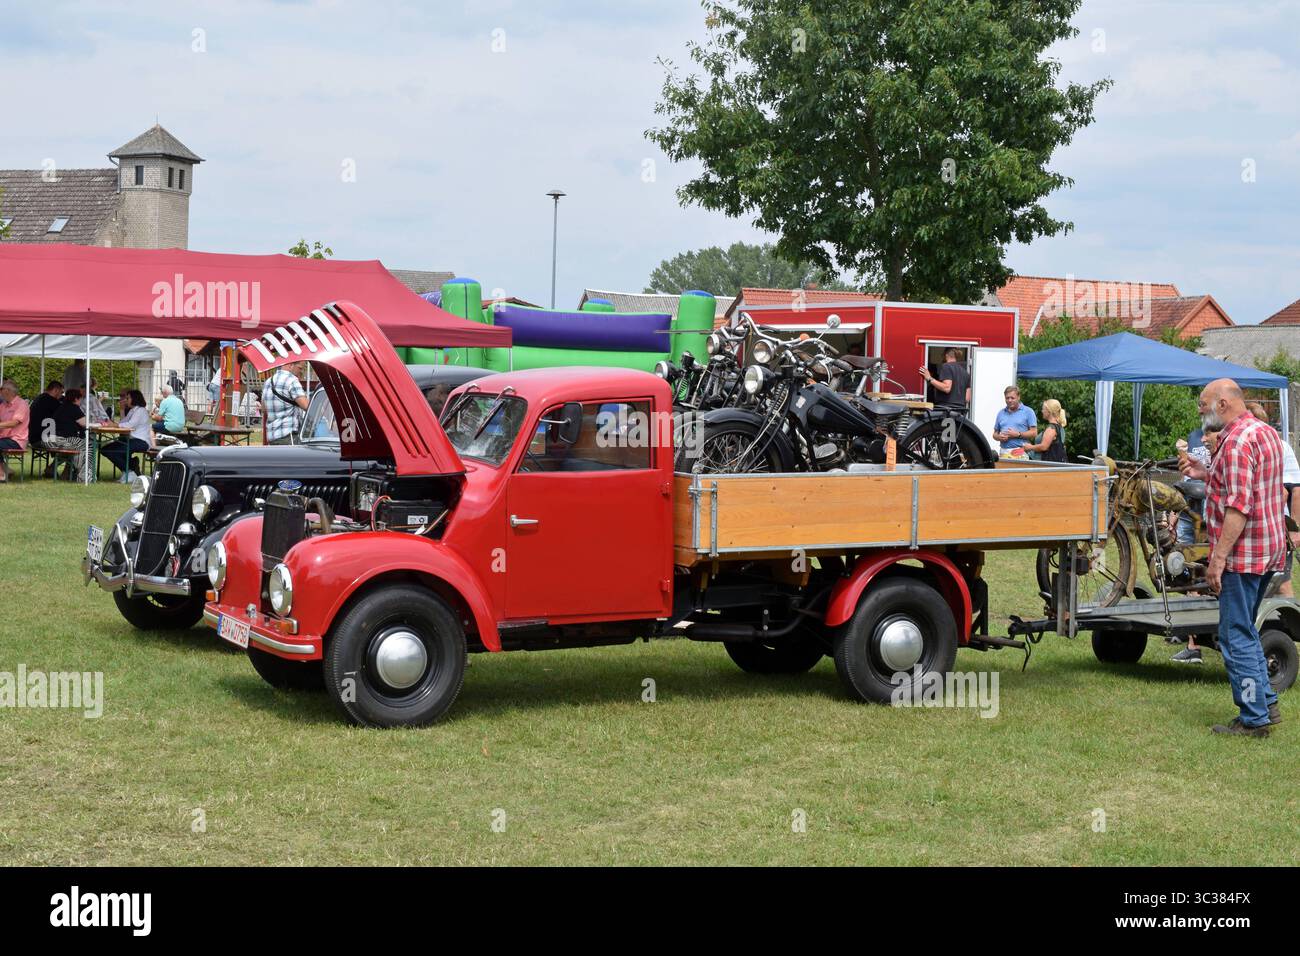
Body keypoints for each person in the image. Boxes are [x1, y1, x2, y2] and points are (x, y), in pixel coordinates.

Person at [1179, 379, 1285, 736]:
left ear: (1223, 404)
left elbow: (1238, 507)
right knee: (1245, 629)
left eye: (1203, 403)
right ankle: (1266, 702)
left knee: (1233, 635)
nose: (1199, 410)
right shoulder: (1263, 431)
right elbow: (1247, 485)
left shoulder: (1236, 442)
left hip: (1242, 556)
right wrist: (1205, 474)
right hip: (1267, 550)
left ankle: (1254, 719)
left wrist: (1217, 558)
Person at [1246, 402, 1300, 598]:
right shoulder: (1238, 446)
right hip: (1251, 531)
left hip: (1278, 529)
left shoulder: (1281, 447)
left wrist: (1295, 530)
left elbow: (1295, 490)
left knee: (1282, 583)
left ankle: (1292, 627)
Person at [99, 389, 153, 483]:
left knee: (115, 451)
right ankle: (130, 468)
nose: (126, 400)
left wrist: (114, 425)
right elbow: (123, 422)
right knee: (105, 449)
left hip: (141, 441)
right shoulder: (133, 410)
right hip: (131, 439)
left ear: (134, 399)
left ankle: (130, 472)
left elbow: (129, 425)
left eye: (128, 398)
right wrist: (122, 409)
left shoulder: (140, 410)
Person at [43, 388, 90, 480]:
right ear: (76, 399)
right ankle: (76, 474)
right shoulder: (74, 408)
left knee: (70, 449)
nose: (81, 401)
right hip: (64, 439)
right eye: (81, 399)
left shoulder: (61, 407)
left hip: (51, 439)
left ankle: (54, 469)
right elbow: (85, 424)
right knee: (84, 446)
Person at [261, 362, 308, 445]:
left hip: (272, 437)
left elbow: (264, 409)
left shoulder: (268, 382)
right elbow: (307, 406)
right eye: (300, 368)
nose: (300, 372)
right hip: (288, 436)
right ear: (290, 365)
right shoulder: (292, 380)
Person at [919, 347, 970, 413]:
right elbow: (967, 398)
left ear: (946, 355)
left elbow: (947, 388)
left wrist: (929, 378)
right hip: (959, 413)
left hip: (946, 411)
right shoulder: (965, 372)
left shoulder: (946, 366)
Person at [27, 381, 65, 468]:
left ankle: (57, 470)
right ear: (55, 390)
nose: (62, 395)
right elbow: (64, 416)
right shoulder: (51, 401)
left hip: (34, 438)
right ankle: (53, 469)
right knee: (75, 445)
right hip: (43, 439)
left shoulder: (39, 398)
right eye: (61, 392)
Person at [991, 386, 1037, 456]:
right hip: (1003, 451)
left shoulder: (1028, 411)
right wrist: (999, 437)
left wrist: (1018, 434)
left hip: (1020, 451)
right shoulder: (1001, 413)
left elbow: (1034, 433)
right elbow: (994, 434)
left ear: (1018, 397)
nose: (1009, 400)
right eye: (1007, 398)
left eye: (1012, 398)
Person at [0, 379, 30, 483]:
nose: (0, 392)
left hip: (17, 440)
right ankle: (7, 470)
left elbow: (14, 423)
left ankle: (2, 475)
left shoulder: (21, 404)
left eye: (1, 389)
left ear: (7, 391)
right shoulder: (3, 405)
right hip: (4, 438)